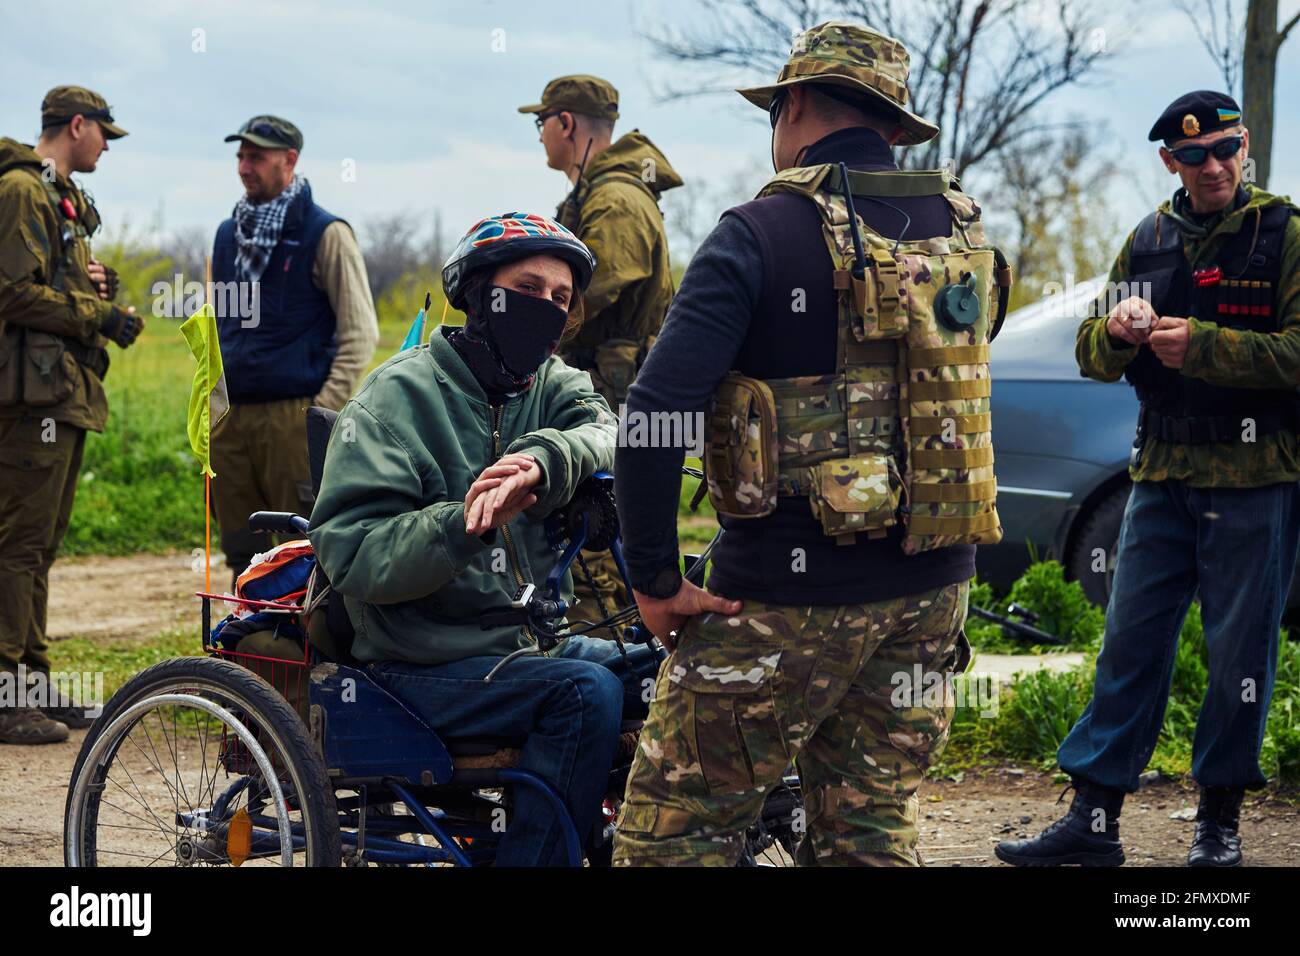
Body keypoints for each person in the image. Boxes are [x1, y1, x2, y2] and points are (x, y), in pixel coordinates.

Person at [612, 21, 1010, 865]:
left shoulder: (757, 232)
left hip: (783, 599)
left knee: (676, 835)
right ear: (895, 129)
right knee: (868, 827)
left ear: (791, 106)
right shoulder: (965, 234)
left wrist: (652, 577)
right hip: (933, 595)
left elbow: (651, 417)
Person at [996, 91, 1300, 869]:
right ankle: (1093, 822)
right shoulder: (1149, 240)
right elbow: (1091, 354)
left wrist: (1202, 344)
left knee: (1239, 660)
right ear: (1171, 161)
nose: (1214, 166)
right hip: (1159, 476)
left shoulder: (1286, 234)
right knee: (1128, 647)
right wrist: (1119, 331)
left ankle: (1218, 823)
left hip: (1254, 477)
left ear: (1243, 147)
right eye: (1194, 156)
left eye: (1226, 148)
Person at [309, 213, 661, 866]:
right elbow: (353, 554)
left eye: (561, 300)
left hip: (524, 645)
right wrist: (463, 525)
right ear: (476, 293)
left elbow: (603, 427)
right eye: (529, 289)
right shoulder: (393, 402)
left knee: (671, 666)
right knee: (585, 694)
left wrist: (542, 460)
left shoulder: (549, 385)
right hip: (416, 662)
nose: (548, 311)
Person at [0, 86, 141, 745]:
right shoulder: (23, 192)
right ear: (75, 126)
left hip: (57, 392)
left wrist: (93, 285)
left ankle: (30, 678)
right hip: (28, 399)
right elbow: (12, 292)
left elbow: (48, 278)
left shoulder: (58, 198)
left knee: (41, 541)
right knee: (20, 543)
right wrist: (101, 316)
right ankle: (7, 692)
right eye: (103, 133)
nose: (108, 146)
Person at [520, 76, 684, 615]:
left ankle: (613, 671)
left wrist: (523, 340)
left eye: (541, 121)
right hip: (603, 386)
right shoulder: (598, 193)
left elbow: (584, 296)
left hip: (613, 394)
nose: (540, 134)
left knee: (596, 538)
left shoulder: (615, 201)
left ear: (565, 123)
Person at [210, 115, 378, 582]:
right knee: (240, 549)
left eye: (256, 156)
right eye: (241, 156)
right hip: (233, 418)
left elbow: (360, 332)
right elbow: (218, 331)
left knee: (299, 548)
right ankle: (244, 649)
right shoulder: (228, 234)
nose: (245, 166)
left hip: (293, 417)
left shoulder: (326, 233)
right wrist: (213, 407)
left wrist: (319, 412)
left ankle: (303, 653)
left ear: (290, 160)